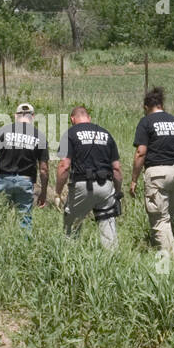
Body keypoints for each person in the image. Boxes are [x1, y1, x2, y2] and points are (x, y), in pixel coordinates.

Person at [130, 87, 174, 256]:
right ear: (162, 104)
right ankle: (161, 246)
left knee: (160, 220)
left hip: (158, 174)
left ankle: (169, 262)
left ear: (146, 107)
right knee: (168, 216)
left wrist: (134, 179)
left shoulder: (146, 122)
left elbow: (141, 152)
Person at [56, 106, 123, 249]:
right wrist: (117, 192)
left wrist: (58, 190)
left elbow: (64, 165)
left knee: (72, 224)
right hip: (106, 186)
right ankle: (113, 261)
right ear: (89, 118)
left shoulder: (70, 133)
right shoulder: (106, 134)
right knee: (108, 226)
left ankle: (69, 258)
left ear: (72, 119)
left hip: (82, 186)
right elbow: (116, 168)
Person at [0, 102, 49, 230]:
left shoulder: (3, 131)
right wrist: (44, 191)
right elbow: (44, 169)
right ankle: (24, 247)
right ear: (33, 116)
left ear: (15, 116)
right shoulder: (40, 136)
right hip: (25, 181)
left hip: (3, 180)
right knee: (25, 221)